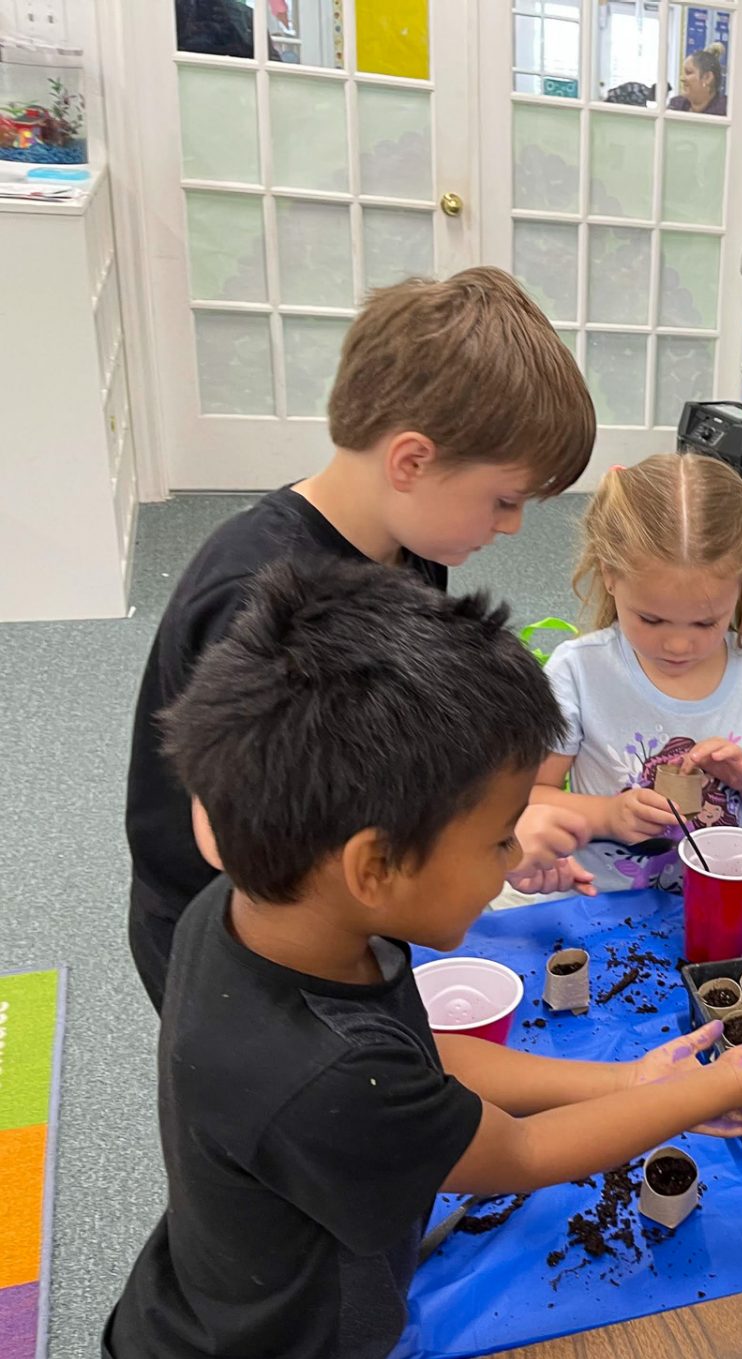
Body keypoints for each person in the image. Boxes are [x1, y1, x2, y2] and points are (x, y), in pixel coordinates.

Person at [95, 558, 742, 1359]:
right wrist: (717, 1087)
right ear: (375, 867)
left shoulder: (266, 911)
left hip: (211, 1313)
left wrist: (625, 1087)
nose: (515, 864)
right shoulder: (326, 1075)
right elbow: (524, 1154)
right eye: (499, 840)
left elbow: (422, 1059)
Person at [123, 268, 599, 1012]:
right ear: (411, 461)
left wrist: (485, 835)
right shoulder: (258, 597)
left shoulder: (410, 553)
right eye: (504, 500)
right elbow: (233, 840)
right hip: (243, 938)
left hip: (353, 902)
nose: (511, 528)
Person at [533, 455, 742, 890]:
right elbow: (532, 797)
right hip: (604, 905)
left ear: (740, 587)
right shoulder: (578, 671)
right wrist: (608, 816)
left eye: (706, 623)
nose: (678, 645)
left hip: (722, 900)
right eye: (651, 619)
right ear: (609, 575)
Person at [668, 42, 727, 115]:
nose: (682, 78)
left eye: (688, 72)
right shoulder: (676, 105)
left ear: (707, 78)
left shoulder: (727, 110)